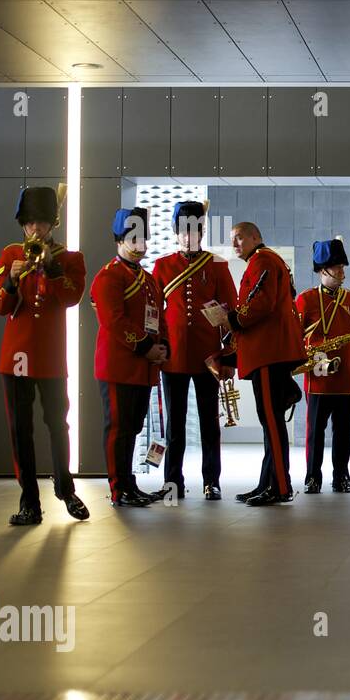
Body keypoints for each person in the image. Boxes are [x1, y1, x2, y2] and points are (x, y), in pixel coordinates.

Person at [0, 186, 89, 526]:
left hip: (49, 356)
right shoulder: (9, 256)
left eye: (42, 223)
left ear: (53, 224)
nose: (35, 229)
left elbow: (72, 298)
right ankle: (29, 501)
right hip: (15, 356)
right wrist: (12, 282)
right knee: (21, 430)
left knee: (57, 426)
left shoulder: (70, 259)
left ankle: (65, 487)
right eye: (30, 223)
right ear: (23, 224)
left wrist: (51, 269)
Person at [152, 200, 238, 500]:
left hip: (208, 357)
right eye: (184, 231)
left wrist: (229, 357)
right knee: (175, 425)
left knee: (209, 423)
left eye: (196, 231)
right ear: (177, 234)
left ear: (202, 233)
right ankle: (172, 481)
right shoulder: (162, 266)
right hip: (173, 356)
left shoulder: (217, 265)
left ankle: (211, 481)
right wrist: (157, 346)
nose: (190, 237)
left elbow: (230, 314)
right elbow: (153, 310)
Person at [216, 222, 305, 506]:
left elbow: (257, 305)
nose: (235, 244)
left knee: (272, 421)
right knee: (270, 422)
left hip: (269, 352)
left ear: (256, 236)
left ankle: (280, 486)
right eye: (232, 240)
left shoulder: (263, 260)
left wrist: (231, 319)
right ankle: (268, 482)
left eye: (239, 238)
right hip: (266, 351)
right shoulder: (262, 260)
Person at [91, 207, 170, 506]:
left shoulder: (148, 280)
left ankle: (130, 484)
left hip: (143, 366)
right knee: (118, 429)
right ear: (120, 240)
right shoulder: (108, 277)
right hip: (119, 365)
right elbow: (113, 321)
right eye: (133, 239)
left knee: (133, 428)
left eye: (143, 239)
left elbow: (159, 318)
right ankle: (118, 488)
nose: (140, 246)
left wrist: (164, 346)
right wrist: (144, 347)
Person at [295, 239, 350, 494]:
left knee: (343, 432)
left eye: (342, 268)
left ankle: (341, 478)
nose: (342, 273)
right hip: (318, 376)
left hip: (346, 374)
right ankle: (312, 477)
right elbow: (296, 337)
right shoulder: (305, 300)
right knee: (315, 432)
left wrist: (341, 353)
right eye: (336, 268)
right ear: (322, 270)